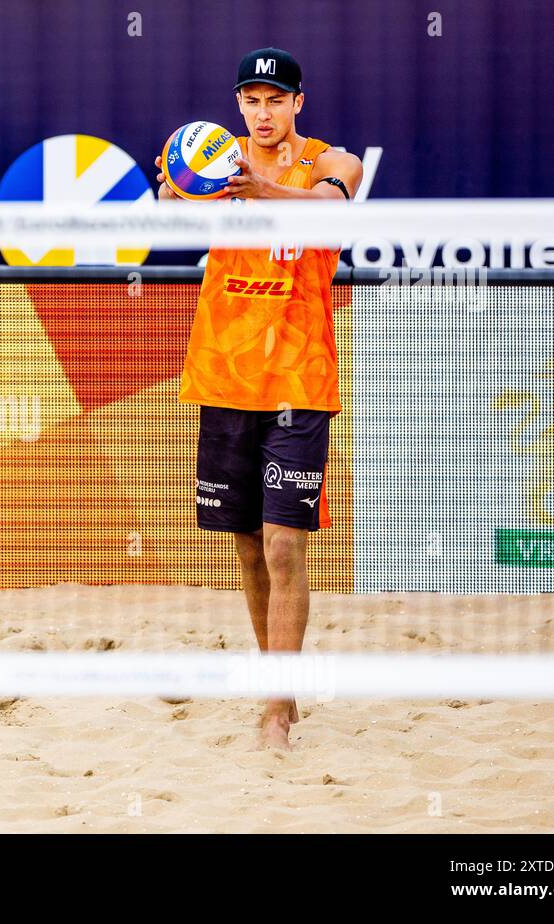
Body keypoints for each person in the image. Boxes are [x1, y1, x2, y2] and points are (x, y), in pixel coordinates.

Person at [156, 48, 363, 750]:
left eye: (276, 99)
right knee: (246, 548)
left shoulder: (335, 163)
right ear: (239, 104)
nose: (263, 111)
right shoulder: (211, 164)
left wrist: (254, 191)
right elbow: (167, 220)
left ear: (298, 103)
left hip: (301, 380)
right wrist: (173, 195)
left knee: (283, 547)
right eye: (252, 99)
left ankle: (276, 707)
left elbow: (328, 210)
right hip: (225, 376)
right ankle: (278, 682)